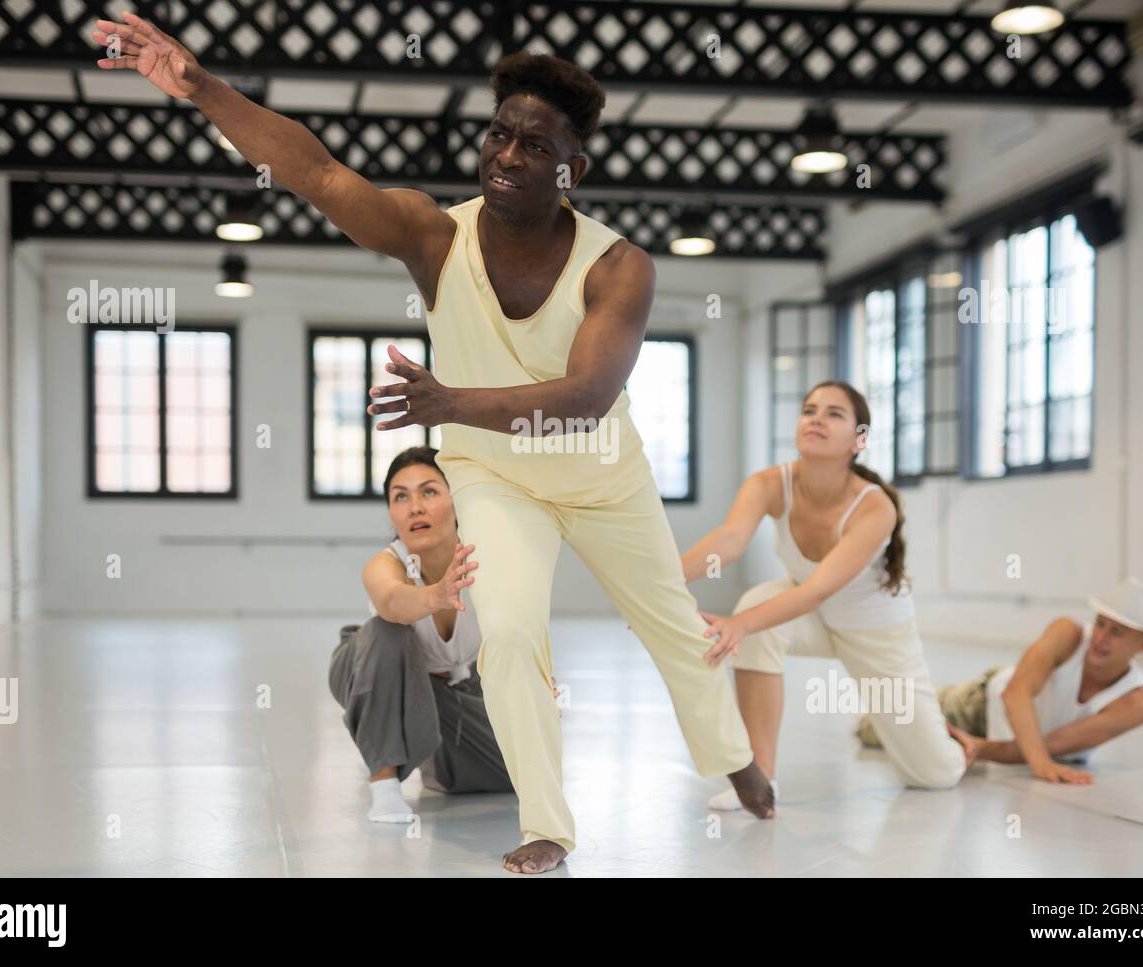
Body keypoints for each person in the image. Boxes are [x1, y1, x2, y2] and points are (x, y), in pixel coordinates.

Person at [91, 15, 773, 874]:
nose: (508, 155)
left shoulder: (618, 266)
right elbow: (317, 170)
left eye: (535, 144)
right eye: (499, 134)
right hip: (493, 476)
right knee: (513, 630)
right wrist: (202, 88)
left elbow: (586, 398)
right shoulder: (435, 237)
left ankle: (736, 758)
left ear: (574, 169)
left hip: (603, 477)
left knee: (673, 627)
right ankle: (548, 824)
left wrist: (448, 400)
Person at [683, 381, 967, 809]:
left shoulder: (875, 507)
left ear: (860, 440)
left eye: (834, 414)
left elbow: (817, 589)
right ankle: (760, 777)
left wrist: (737, 625)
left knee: (935, 775)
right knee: (755, 612)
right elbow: (729, 541)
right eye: (810, 410)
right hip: (815, 622)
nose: (816, 418)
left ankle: (959, 736)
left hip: (877, 635)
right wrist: (661, 586)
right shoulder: (770, 483)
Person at [328, 447, 514, 822]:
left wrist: (537, 682)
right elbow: (391, 600)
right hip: (368, 664)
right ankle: (384, 785)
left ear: (456, 499)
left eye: (429, 491)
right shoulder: (385, 564)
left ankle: (437, 762)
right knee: (387, 630)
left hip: (451, 688)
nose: (415, 507)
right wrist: (436, 594)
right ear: (392, 512)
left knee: (506, 777)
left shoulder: (490, 558)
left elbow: (516, 632)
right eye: (401, 496)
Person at [856, 577, 1143, 784]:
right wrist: (1040, 764)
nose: (1100, 638)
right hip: (978, 705)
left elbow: (1054, 744)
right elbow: (1016, 695)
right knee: (874, 726)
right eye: (1100, 624)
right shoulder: (1067, 633)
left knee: (915, 737)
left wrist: (980, 748)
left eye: (1117, 632)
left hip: (1011, 743)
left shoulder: (1135, 704)